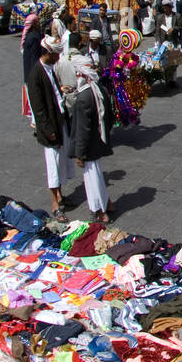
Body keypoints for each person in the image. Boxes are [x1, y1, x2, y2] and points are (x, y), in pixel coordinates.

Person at [26, 36, 74, 222]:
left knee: (61, 162)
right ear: (48, 53)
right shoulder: (35, 75)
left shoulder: (49, 70)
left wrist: (61, 90)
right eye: (56, 55)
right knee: (53, 165)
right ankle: (55, 204)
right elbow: (38, 108)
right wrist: (48, 130)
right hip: (50, 127)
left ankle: (61, 196)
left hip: (59, 120)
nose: (58, 58)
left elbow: (52, 90)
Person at [69, 56, 114, 223]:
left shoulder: (83, 98)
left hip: (89, 147)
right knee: (97, 175)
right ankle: (107, 204)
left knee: (92, 179)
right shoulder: (98, 89)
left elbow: (82, 130)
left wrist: (79, 154)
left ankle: (100, 210)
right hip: (98, 141)